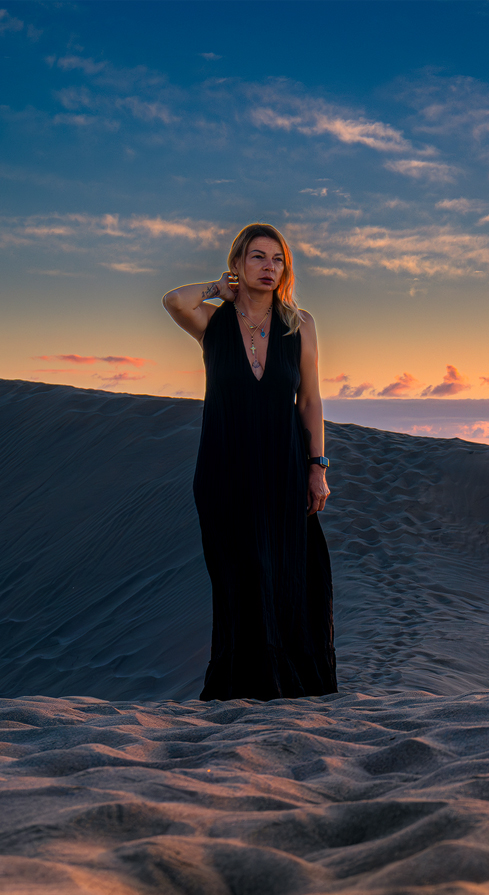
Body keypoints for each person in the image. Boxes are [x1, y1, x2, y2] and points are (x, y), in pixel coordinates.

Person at [162, 223, 337, 700]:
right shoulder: (213, 323)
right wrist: (220, 290)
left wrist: (317, 467)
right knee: (240, 574)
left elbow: (310, 402)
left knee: (285, 572)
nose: (268, 267)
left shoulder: (300, 324)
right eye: (257, 257)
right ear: (237, 264)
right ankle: (240, 690)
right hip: (225, 469)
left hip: (283, 467)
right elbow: (174, 300)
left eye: (277, 259)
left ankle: (286, 688)